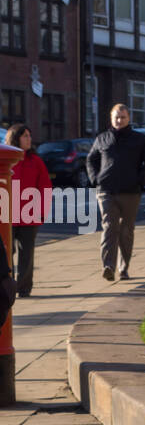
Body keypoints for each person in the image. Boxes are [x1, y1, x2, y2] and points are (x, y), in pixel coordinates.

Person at [86, 105, 145, 282]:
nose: (119, 121)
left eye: (123, 117)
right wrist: (95, 179)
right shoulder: (102, 138)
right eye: (116, 117)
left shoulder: (139, 139)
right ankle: (108, 266)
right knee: (109, 227)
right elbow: (91, 159)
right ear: (111, 118)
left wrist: (140, 180)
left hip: (130, 192)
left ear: (129, 118)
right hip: (106, 191)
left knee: (126, 230)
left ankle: (124, 268)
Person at [5, 124, 52, 298]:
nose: (29, 139)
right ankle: (6, 287)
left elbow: (45, 186)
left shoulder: (36, 161)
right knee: (6, 254)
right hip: (7, 215)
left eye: (30, 136)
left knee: (27, 254)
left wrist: (41, 211)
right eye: (25, 136)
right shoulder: (6, 159)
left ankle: (23, 287)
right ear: (15, 138)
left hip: (28, 214)